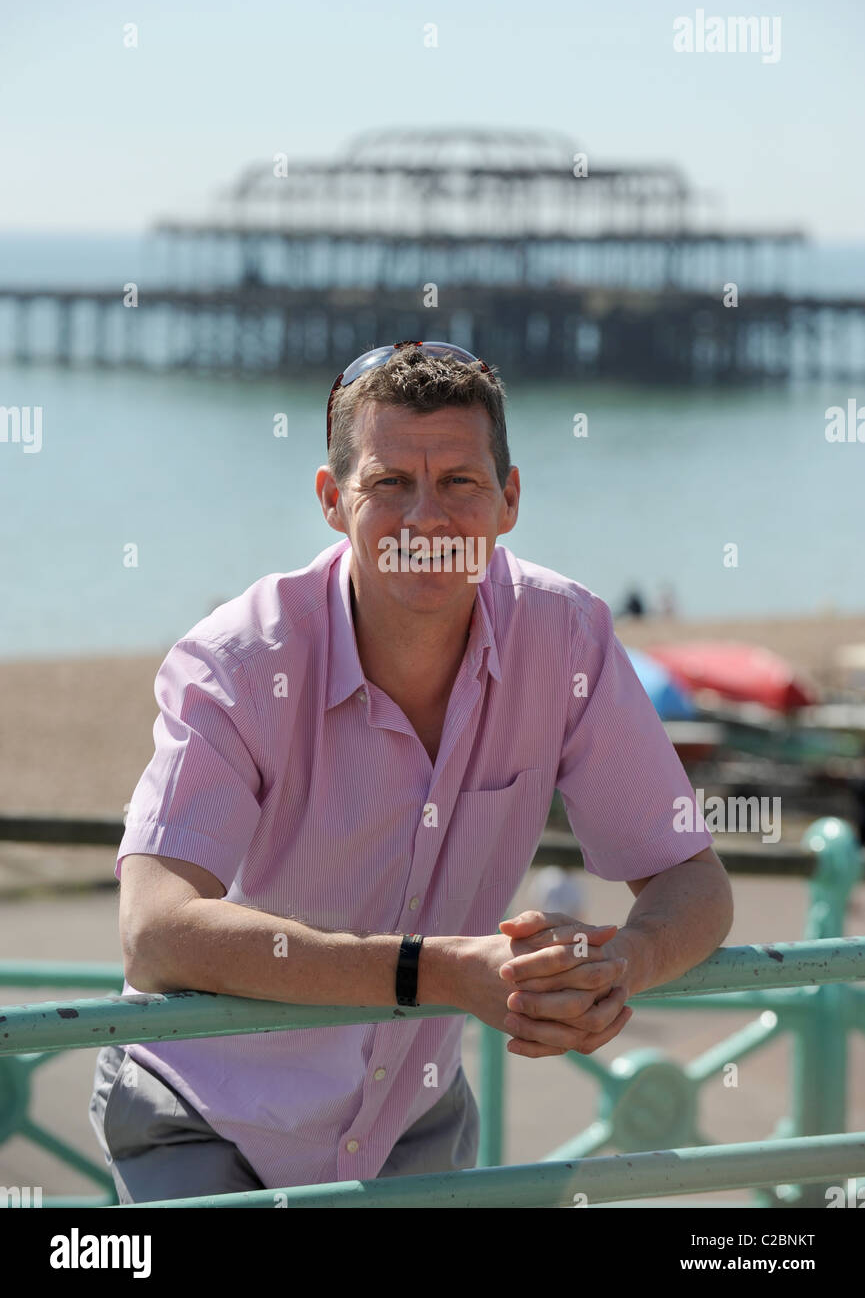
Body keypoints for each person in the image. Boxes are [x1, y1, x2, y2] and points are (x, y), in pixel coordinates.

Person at [89, 340, 732, 1203]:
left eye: (459, 482)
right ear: (331, 499)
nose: (424, 520)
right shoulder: (239, 662)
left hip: (410, 1119)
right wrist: (437, 974)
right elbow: (155, 932)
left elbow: (690, 876)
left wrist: (621, 966)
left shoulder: (566, 636)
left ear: (509, 499)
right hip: (206, 1114)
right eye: (389, 482)